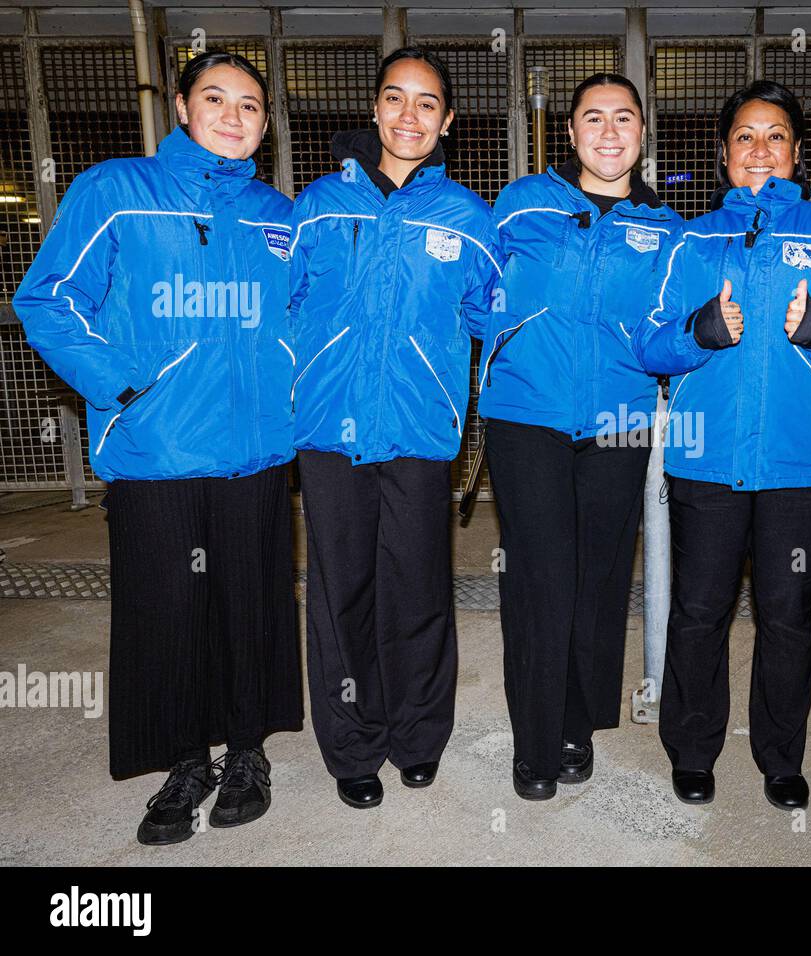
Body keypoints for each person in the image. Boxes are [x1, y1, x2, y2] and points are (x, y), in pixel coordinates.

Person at [14, 51, 300, 845]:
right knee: (169, 611)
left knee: (250, 606)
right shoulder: (115, 190)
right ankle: (186, 759)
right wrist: (120, 385)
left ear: (265, 121)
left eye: (250, 105)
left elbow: (302, 319)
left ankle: (246, 752)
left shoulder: (277, 214)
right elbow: (47, 298)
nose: (234, 116)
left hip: (257, 453)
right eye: (216, 99)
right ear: (180, 105)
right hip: (156, 451)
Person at [632, 80, 811, 811]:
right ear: (723, 154)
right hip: (709, 461)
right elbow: (648, 341)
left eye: (775, 135)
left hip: (798, 461)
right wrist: (699, 332)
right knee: (700, 609)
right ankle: (692, 749)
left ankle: (781, 756)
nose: (760, 149)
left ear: (798, 151)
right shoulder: (691, 240)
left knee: (786, 613)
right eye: (745, 136)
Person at [288, 47, 499, 810]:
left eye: (426, 103)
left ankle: (416, 738)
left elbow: (493, 323)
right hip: (328, 434)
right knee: (341, 591)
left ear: (447, 119)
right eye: (395, 99)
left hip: (419, 434)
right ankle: (351, 746)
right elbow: (282, 312)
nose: (409, 116)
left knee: (418, 592)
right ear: (375, 109)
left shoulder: (470, 219)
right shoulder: (315, 206)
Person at [480, 73, 683, 800]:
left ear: (640, 132)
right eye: (591, 117)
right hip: (527, 414)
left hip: (620, 422)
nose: (607, 132)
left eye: (622, 118)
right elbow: (477, 290)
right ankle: (534, 743)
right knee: (541, 577)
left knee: (599, 579)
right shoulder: (522, 202)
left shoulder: (666, 228)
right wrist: (506, 339)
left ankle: (576, 721)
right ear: (569, 133)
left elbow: (670, 333)